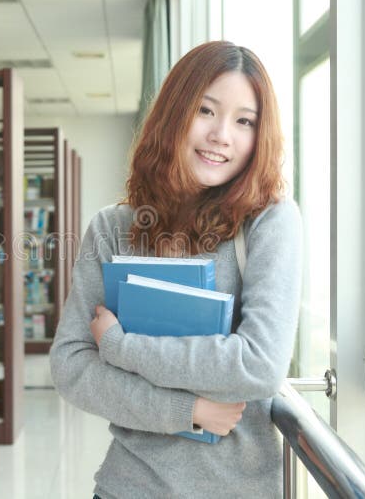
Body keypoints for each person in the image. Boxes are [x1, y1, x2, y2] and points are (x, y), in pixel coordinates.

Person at [49, 40, 303, 499]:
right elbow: (72, 365)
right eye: (206, 111)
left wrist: (122, 348)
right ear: (174, 114)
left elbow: (259, 365)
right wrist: (187, 409)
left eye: (244, 121)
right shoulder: (112, 227)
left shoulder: (270, 222)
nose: (222, 135)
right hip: (127, 486)